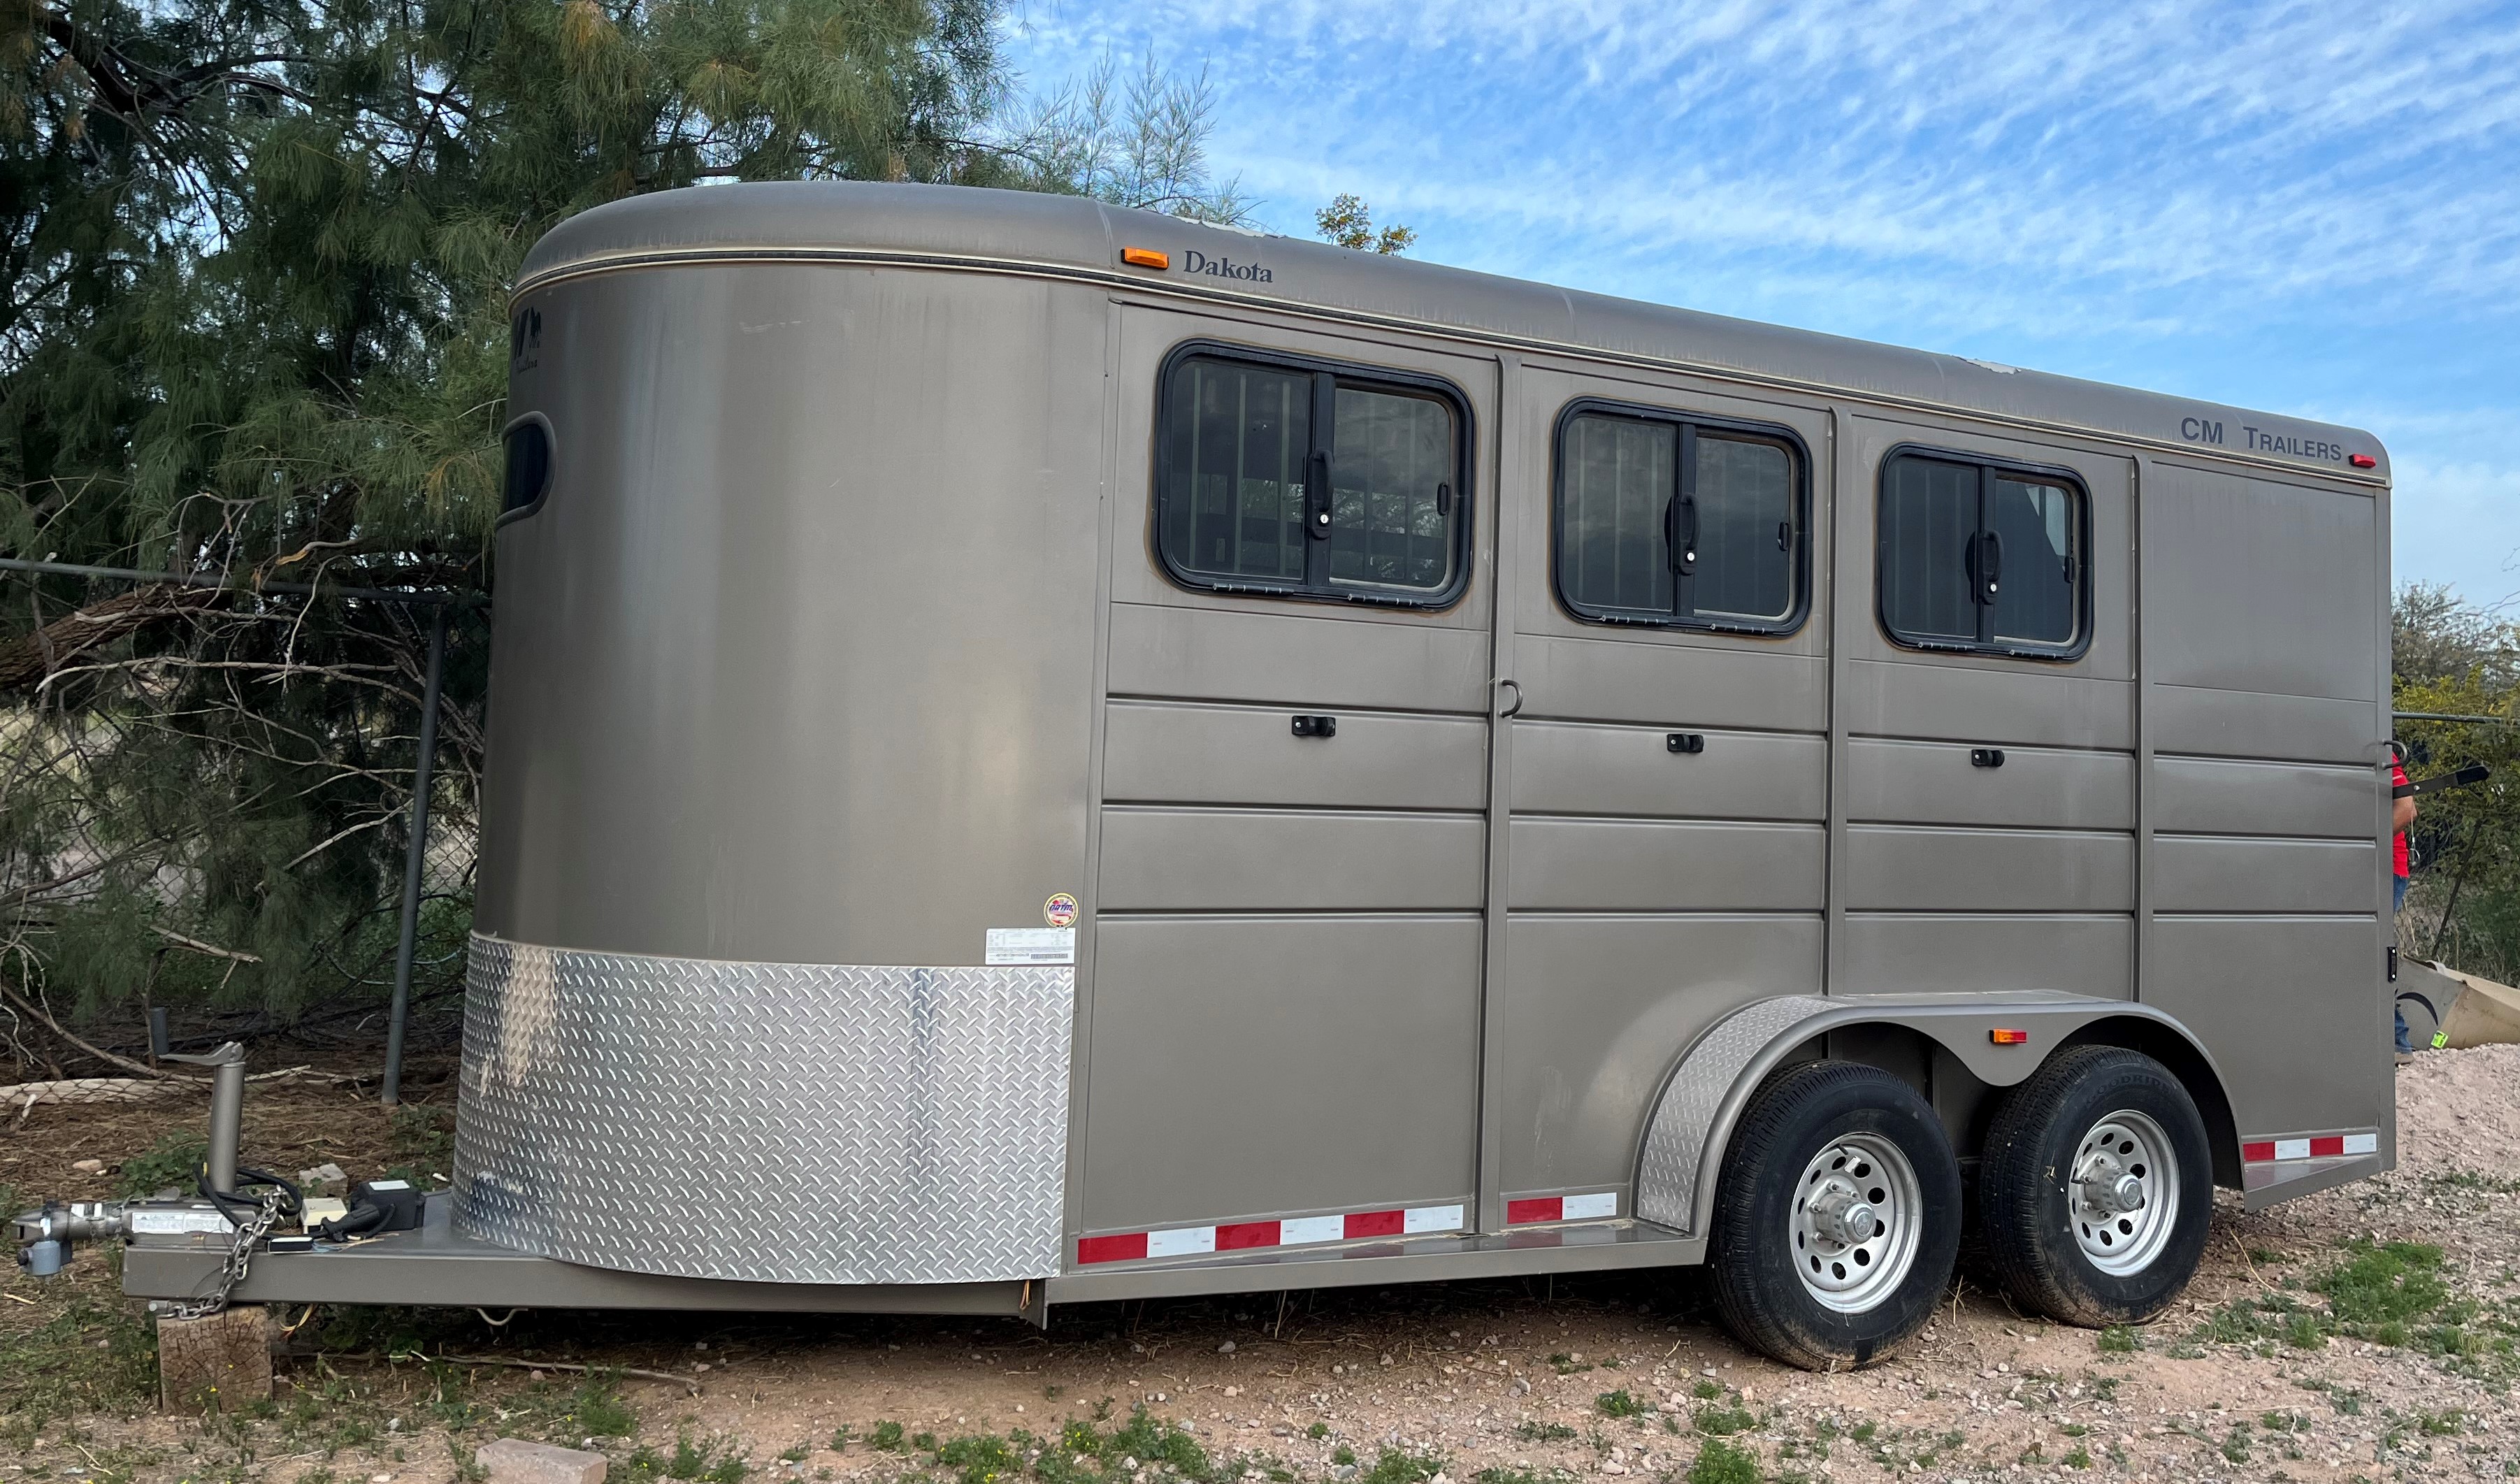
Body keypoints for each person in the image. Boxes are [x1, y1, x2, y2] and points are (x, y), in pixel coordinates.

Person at [2393, 753, 2418, 1058]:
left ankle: (2398, 1042)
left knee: (2372, 953)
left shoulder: (2378, 749)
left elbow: (2408, 808)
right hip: (2379, 868)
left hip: (2387, 869)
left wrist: (2365, 844)